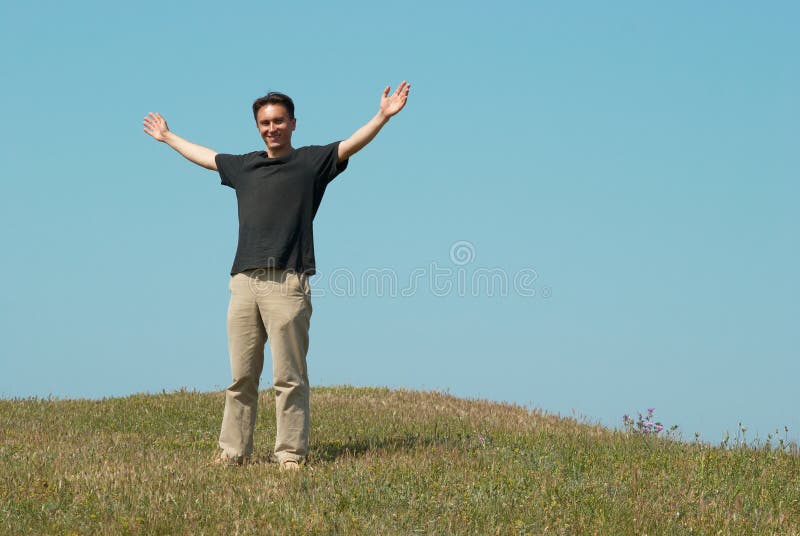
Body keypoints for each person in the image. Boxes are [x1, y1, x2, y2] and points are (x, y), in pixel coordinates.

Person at [143, 82, 411, 470]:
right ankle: (233, 451)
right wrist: (167, 137)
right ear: (258, 127)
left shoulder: (310, 162)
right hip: (243, 282)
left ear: (293, 123)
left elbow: (350, 144)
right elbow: (206, 157)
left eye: (279, 121)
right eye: (265, 123)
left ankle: (290, 455)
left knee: (289, 377)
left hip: (288, 281)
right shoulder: (245, 165)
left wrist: (383, 116)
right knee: (241, 377)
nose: (272, 128)